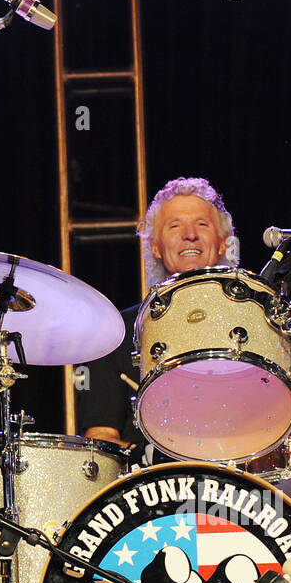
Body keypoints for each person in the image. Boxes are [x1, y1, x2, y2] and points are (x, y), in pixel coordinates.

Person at [76, 176, 240, 452]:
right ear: (155, 246)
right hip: (154, 489)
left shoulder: (254, 321)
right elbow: (100, 438)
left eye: (202, 224)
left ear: (223, 242)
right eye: (175, 225)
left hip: (246, 481)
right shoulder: (115, 333)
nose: (190, 234)